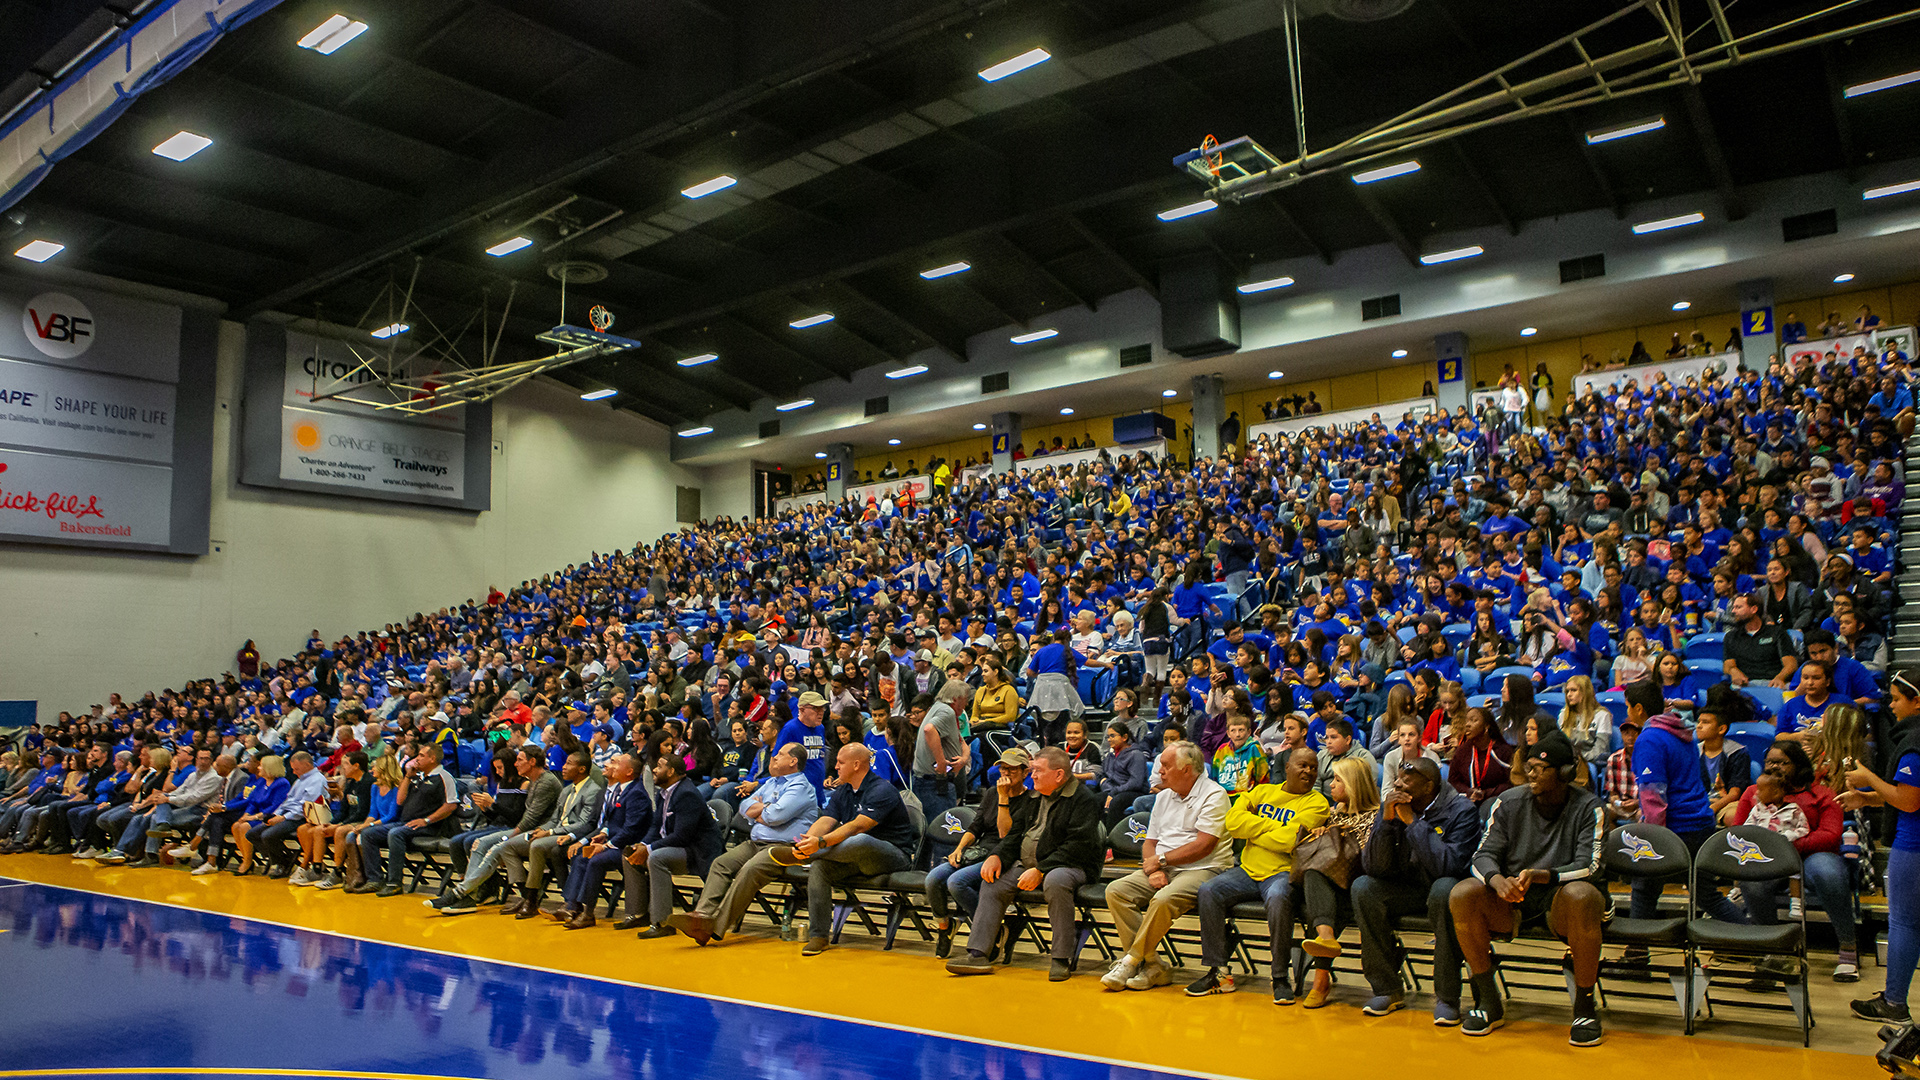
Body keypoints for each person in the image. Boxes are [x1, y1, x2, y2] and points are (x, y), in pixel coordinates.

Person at [1448, 730, 1607, 1046]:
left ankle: (1585, 1008)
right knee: (1462, 893)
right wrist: (1497, 881)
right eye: (1529, 767)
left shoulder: (1589, 807)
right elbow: (1482, 856)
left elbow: (1590, 866)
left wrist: (1542, 875)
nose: (1530, 774)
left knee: (1583, 895)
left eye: (1539, 768)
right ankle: (1488, 1001)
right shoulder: (1508, 802)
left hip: (1561, 900)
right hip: (1513, 898)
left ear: (1564, 772)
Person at [1186, 746, 1330, 1000]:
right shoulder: (1262, 791)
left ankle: (1279, 977)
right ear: (1288, 767)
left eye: (1313, 768)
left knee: (1278, 898)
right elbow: (1232, 822)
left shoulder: (1317, 803)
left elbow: (1290, 841)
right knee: (1208, 890)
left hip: (1283, 873)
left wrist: (1253, 830)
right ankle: (1219, 972)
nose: (1309, 771)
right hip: (1247, 871)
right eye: (1303, 765)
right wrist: (1276, 827)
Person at [946, 746, 1102, 979]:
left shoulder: (1083, 799)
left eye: (1038, 770)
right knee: (993, 880)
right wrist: (997, 856)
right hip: (1030, 865)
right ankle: (978, 954)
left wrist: (1041, 870)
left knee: (1056, 881)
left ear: (1059, 774)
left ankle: (1061, 958)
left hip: (1073, 866)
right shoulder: (1035, 796)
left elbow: (1078, 846)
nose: (1033, 775)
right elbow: (1014, 834)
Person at [1351, 757, 1482, 1020]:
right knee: (1363, 887)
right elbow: (1374, 867)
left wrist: (1413, 823)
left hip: (1445, 889)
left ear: (1428, 786)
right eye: (1397, 778)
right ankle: (1387, 989)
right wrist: (1387, 823)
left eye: (1406, 780)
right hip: (1407, 889)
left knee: (1444, 890)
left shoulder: (1462, 810)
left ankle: (1447, 997)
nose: (1398, 784)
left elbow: (1448, 866)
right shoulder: (1391, 806)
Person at [1100, 740, 1232, 992]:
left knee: (1163, 899)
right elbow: (1150, 842)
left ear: (1187, 769)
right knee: (1116, 891)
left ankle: (1131, 960)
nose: (1159, 771)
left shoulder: (1214, 795)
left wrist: (1161, 861)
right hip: (1164, 866)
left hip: (1204, 868)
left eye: (1166, 766)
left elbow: (1204, 845)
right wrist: (1155, 869)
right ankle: (1153, 966)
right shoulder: (1162, 796)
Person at [668, 742, 820, 946]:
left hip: (784, 848)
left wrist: (761, 809)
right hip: (755, 843)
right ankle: (701, 916)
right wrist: (764, 808)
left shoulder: (801, 787)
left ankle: (714, 926)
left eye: (781, 754)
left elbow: (775, 816)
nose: (774, 757)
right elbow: (744, 807)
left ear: (793, 761)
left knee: (749, 869)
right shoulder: (772, 782)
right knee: (721, 863)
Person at [773, 743, 918, 957]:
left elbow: (858, 826)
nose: (836, 767)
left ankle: (805, 857)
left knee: (859, 840)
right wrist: (806, 842)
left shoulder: (882, 789)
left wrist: (819, 844)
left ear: (856, 765)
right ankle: (819, 936)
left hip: (892, 857)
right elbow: (826, 820)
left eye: (841, 762)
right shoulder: (844, 790)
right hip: (855, 858)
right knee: (820, 867)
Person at [1623, 679, 1745, 923]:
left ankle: (1636, 945)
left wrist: (1654, 837)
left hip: (1675, 827)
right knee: (1707, 896)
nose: (1627, 712)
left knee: (1644, 892)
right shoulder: (1682, 732)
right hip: (1700, 823)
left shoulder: (1650, 738)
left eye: (1627, 706)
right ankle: (1755, 938)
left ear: (1638, 709)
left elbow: (1653, 794)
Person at [1843, 671, 1920, 1020]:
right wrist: (1867, 798)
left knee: (1904, 924)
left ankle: (1894, 1004)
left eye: (1897, 699)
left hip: (1914, 846)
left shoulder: (1914, 742)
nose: (1891, 705)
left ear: (1917, 702)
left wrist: (1869, 778)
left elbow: (1908, 801)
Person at [424, 746, 560, 912]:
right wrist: (486, 809)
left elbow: (529, 818)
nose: (515, 763)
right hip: (528, 830)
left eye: (520, 760)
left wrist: (510, 837)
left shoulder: (545, 782)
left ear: (532, 762)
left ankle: (461, 893)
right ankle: (470, 895)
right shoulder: (534, 781)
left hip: (540, 832)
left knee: (497, 847)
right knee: (479, 843)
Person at [925, 747, 1027, 959]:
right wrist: (959, 849)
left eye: (1012, 769)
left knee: (956, 882)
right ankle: (945, 927)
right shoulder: (991, 793)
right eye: (1003, 769)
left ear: (1025, 772)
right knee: (933, 878)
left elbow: (1005, 834)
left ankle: (991, 929)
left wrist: (1003, 798)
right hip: (980, 851)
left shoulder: (1030, 799)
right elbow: (975, 827)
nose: (1006, 773)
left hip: (1005, 854)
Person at [1297, 756, 1381, 1007]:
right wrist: (1321, 834)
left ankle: (1321, 979)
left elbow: (1370, 860)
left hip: (1360, 885)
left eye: (1337, 780)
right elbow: (1325, 857)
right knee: (1314, 875)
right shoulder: (1333, 814)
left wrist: (1343, 836)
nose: (1330, 785)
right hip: (1331, 886)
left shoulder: (1376, 817)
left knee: (1325, 903)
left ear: (1354, 784)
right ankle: (1325, 940)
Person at [616, 752, 722, 936]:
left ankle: (662, 923)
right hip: (677, 847)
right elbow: (656, 827)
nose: (654, 770)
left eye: (660, 766)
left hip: (698, 852)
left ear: (671, 771)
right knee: (630, 855)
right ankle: (638, 914)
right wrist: (642, 844)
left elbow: (682, 836)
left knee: (656, 858)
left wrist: (649, 849)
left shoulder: (687, 794)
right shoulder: (664, 792)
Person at [548, 752, 650, 930]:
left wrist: (606, 846)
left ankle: (588, 913)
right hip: (614, 841)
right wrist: (603, 833)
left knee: (596, 861)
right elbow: (611, 821)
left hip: (629, 846)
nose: (613, 767)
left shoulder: (637, 793)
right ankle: (572, 906)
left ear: (629, 772)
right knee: (581, 856)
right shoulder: (619, 789)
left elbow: (631, 829)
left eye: (617, 764)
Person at [354, 744, 459, 897]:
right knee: (368, 833)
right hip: (406, 823)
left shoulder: (444, 777)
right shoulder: (417, 777)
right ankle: (375, 879)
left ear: (432, 759)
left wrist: (426, 820)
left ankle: (394, 883)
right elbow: (400, 800)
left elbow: (451, 805)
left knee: (396, 834)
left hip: (430, 826)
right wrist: (408, 777)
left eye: (421, 756)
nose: (417, 759)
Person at [1721, 593, 1798, 688]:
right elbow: (1728, 665)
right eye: (1733, 607)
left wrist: (1779, 678)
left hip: (1772, 683)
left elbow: (1791, 664)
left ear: (1754, 609)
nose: (1733, 611)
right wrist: (1734, 672)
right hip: (1745, 684)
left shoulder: (1777, 633)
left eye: (1738, 607)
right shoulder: (1731, 636)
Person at [1101, 721, 1150, 827]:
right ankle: (1098, 834)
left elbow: (1135, 783)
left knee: (1116, 802)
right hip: (1115, 790)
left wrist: (1114, 792)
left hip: (1135, 792)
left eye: (1112, 736)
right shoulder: (1110, 756)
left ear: (1124, 737)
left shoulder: (1136, 755)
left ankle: (1112, 834)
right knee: (1095, 799)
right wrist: (1110, 790)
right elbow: (1104, 776)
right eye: (1108, 737)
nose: (1109, 739)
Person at [1314, 716, 1376, 797]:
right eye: (1327, 737)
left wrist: (1341, 804)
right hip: (1323, 801)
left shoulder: (1363, 757)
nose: (1328, 742)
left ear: (1347, 740)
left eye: (1333, 737)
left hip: (1353, 801)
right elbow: (1315, 785)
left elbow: (1366, 789)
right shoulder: (1321, 755)